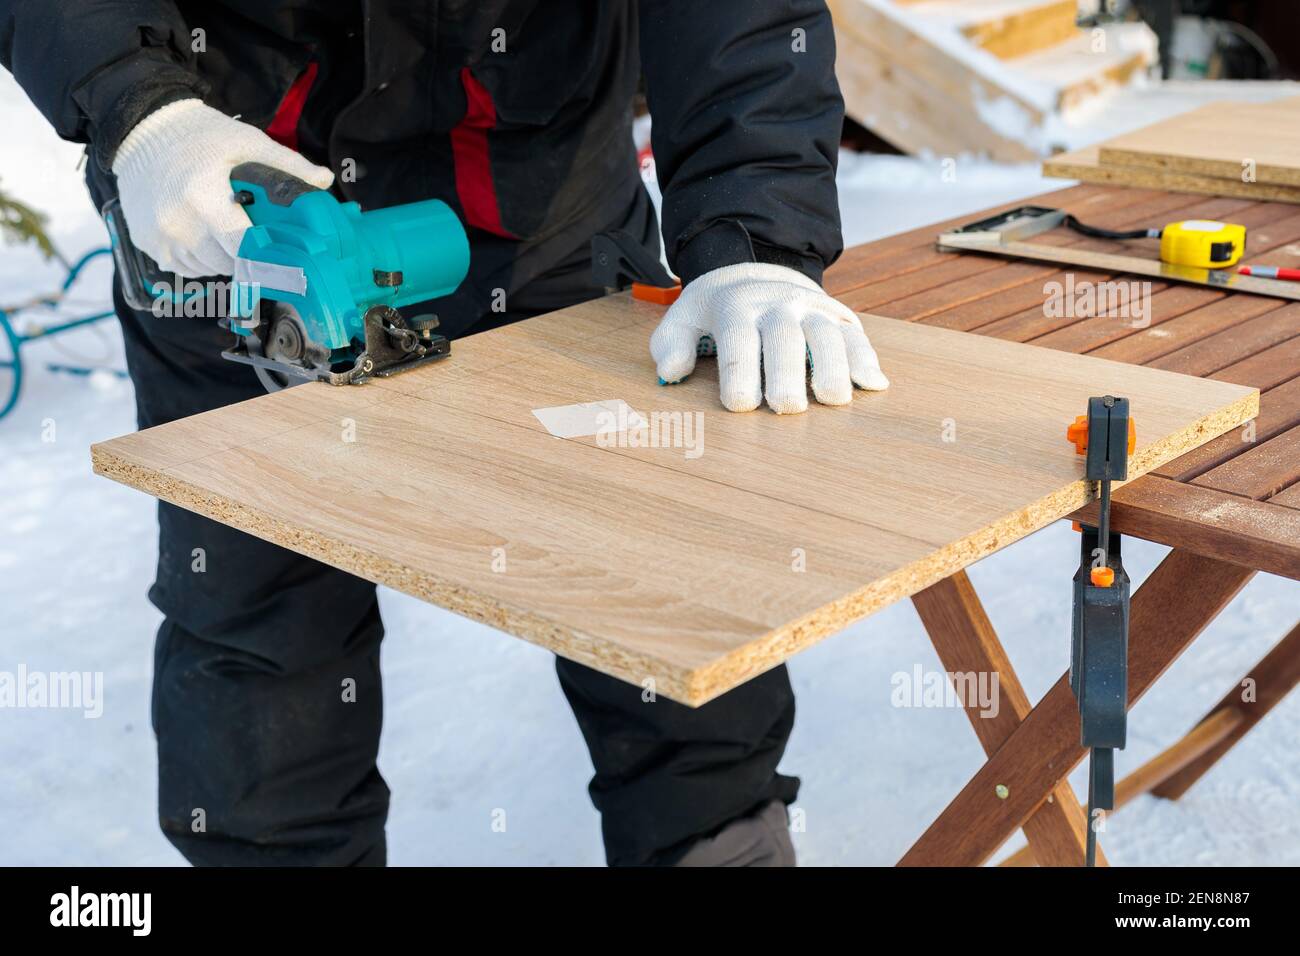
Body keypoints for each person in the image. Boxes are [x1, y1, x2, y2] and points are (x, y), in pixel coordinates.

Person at [0, 0, 888, 866]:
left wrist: (757, 245)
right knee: (255, 599)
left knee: (650, 554)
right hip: (224, 195)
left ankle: (716, 838)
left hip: (537, 188)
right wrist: (140, 109)